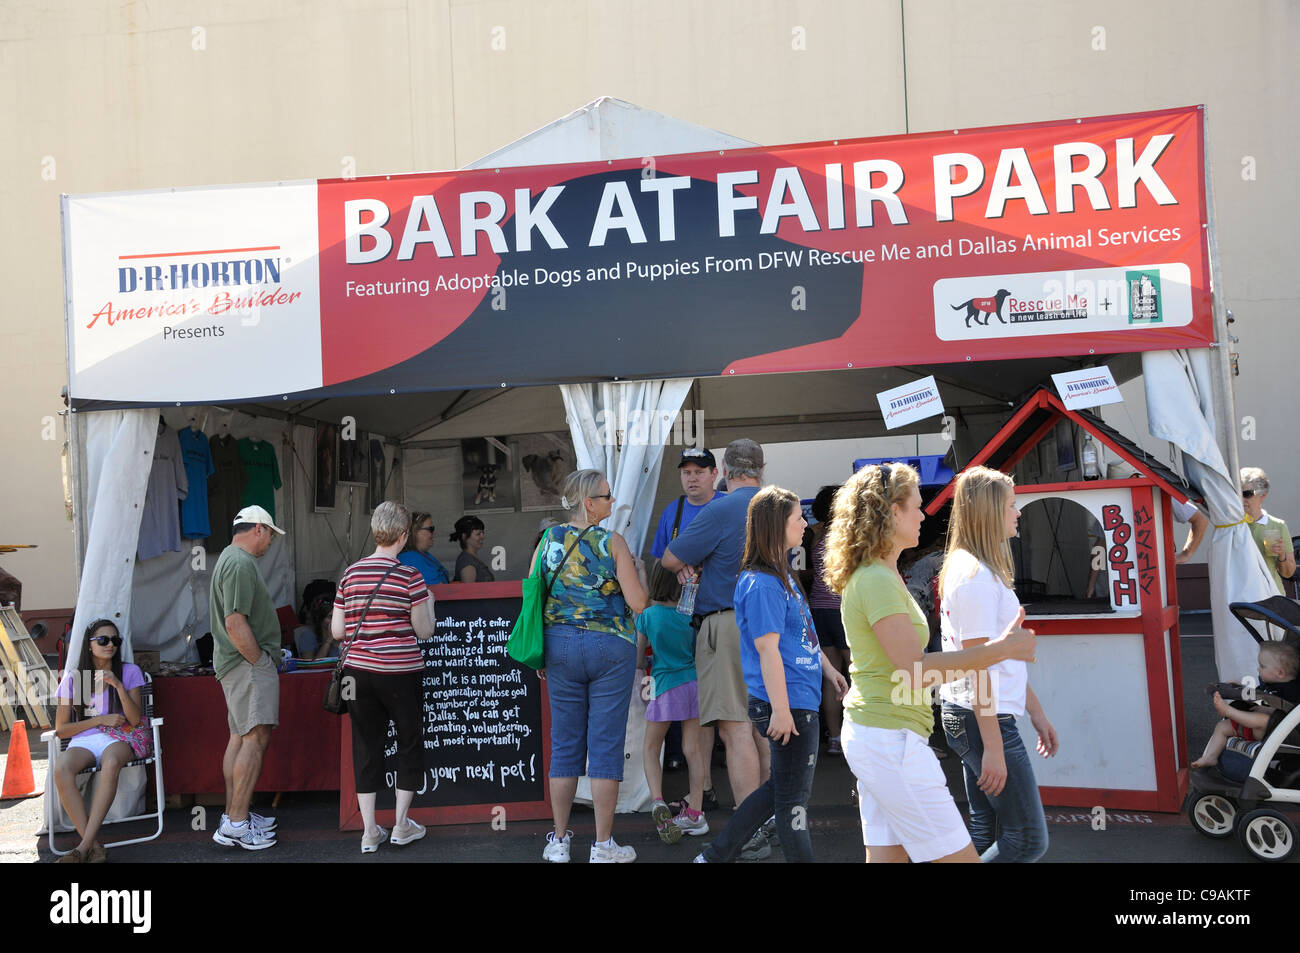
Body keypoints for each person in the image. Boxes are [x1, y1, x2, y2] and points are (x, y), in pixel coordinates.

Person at [823, 463, 1036, 863]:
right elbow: (915, 670)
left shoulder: (880, 574)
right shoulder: (877, 579)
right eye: (916, 507)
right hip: (891, 741)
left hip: (883, 737)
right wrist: (1002, 649)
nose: (924, 515)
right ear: (889, 512)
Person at [694, 486, 848, 863]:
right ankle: (716, 855)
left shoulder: (782, 575)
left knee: (781, 791)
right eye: (798, 517)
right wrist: (781, 710)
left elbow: (803, 634)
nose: (805, 523)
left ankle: (714, 856)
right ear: (778, 525)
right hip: (788, 704)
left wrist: (827, 668)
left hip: (795, 700)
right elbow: (768, 651)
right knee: (793, 801)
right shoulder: (762, 582)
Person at [938, 466, 1058, 863]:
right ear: (990, 513)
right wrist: (993, 746)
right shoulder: (974, 576)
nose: (1018, 512)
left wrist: (1037, 715)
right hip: (981, 719)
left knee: (986, 826)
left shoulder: (974, 569)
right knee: (1026, 839)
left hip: (973, 716)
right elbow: (979, 667)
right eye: (1011, 505)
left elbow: (997, 656)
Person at [660, 439, 772, 855]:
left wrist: (696, 564)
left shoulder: (720, 508)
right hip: (772, 621)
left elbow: (671, 558)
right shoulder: (779, 504)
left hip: (727, 621)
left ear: (724, 470)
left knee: (736, 726)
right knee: (765, 724)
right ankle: (771, 818)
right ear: (761, 467)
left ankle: (750, 828)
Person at [539, 469, 649, 863]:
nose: (612, 501)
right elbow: (638, 604)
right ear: (589, 503)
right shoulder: (612, 542)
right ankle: (603, 845)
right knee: (605, 746)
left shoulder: (548, 541)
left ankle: (558, 841)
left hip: (559, 647)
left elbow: (534, 594)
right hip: (609, 647)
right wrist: (637, 571)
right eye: (606, 496)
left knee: (565, 745)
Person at [332, 501, 436, 853]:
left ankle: (369, 831)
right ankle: (401, 824)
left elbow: (336, 630)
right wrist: (430, 602)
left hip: (357, 675)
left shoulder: (350, 574)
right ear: (404, 536)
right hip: (401, 674)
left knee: (365, 746)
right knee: (408, 744)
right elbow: (424, 631)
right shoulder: (410, 576)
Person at [649, 446, 725, 798]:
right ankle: (704, 788)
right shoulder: (674, 510)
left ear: (715, 473)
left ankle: (744, 793)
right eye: (686, 471)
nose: (692, 477)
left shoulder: (726, 507)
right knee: (700, 709)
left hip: (720, 618)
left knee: (727, 711)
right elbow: (659, 563)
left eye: (699, 470)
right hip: (685, 619)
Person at [209, 505, 284, 851]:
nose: (271, 542)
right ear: (258, 530)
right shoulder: (240, 563)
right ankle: (237, 822)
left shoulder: (229, 559)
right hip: (246, 664)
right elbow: (235, 622)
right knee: (253, 738)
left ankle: (233, 817)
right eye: (270, 534)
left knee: (240, 738)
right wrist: (261, 661)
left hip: (236, 663)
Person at [51, 620, 149, 863]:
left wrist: (118, 685)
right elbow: (62, 730)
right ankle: (92, 845)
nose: (110, 645)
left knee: (112, 761)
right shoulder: (77, 678)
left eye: (115, 640)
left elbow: (136, 720)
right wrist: (99, 720)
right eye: (103, 640)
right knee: (61, 769)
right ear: (89, 644)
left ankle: (82, 849)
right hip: (85, 739)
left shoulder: (129, 672)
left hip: (119, 737)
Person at [636, 565, 709, 843]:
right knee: (693, 750)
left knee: (651, 747)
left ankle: (657, 801)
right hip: (693, 683)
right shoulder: (688, 614)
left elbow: (639, 657)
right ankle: (696, 812)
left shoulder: (648, 616)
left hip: (662, 685)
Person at [1192, 641, 1300, 768]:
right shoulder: (1268, 685)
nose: (1258, 669)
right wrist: (1239, 688)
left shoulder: (1292, 690)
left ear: (1280, 673)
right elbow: (1257, 696)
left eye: (1262, 666)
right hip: (1254, 728)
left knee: (1264, 719)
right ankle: (1210, 757)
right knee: (1221, 727)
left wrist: (1269, 710)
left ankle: (1228, 711)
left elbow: (1292, 712)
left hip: (1279, 733)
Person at [805, 485, 850, 756]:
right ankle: (856, 731)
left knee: (830, 676)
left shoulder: (815, 536)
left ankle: (834, 737)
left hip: (818, 610)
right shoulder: (845, 535)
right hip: (841, 610)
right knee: (855, 673)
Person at [1241, 467, 1295, 594]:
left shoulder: (1277, 525)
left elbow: (1288, 573)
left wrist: (1282, 555)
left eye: (1247, 494)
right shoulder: (1233, 525)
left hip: (1271, 595)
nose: (1241, 499)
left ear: (1263, 496)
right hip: (1241, 596)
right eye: (1237, 493)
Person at [398, 510, 451, 586]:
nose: (433, 533)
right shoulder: (412, 558)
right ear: (415, 532)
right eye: (430, 529)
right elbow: (439, 589)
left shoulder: (421, 554)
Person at [293, 593, 338, 660]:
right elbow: (309, 665)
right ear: (320, 618)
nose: (334, 620)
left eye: (336, 616)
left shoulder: (339, 633)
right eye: (330, 617)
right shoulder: (308, 634)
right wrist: (328, 642)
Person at [451, 515, 495, 582]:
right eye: (478, 534)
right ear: (464, 536)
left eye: (483, 533)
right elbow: (468, 591)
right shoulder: (467, 562)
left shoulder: (471, 559)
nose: (482, 536)